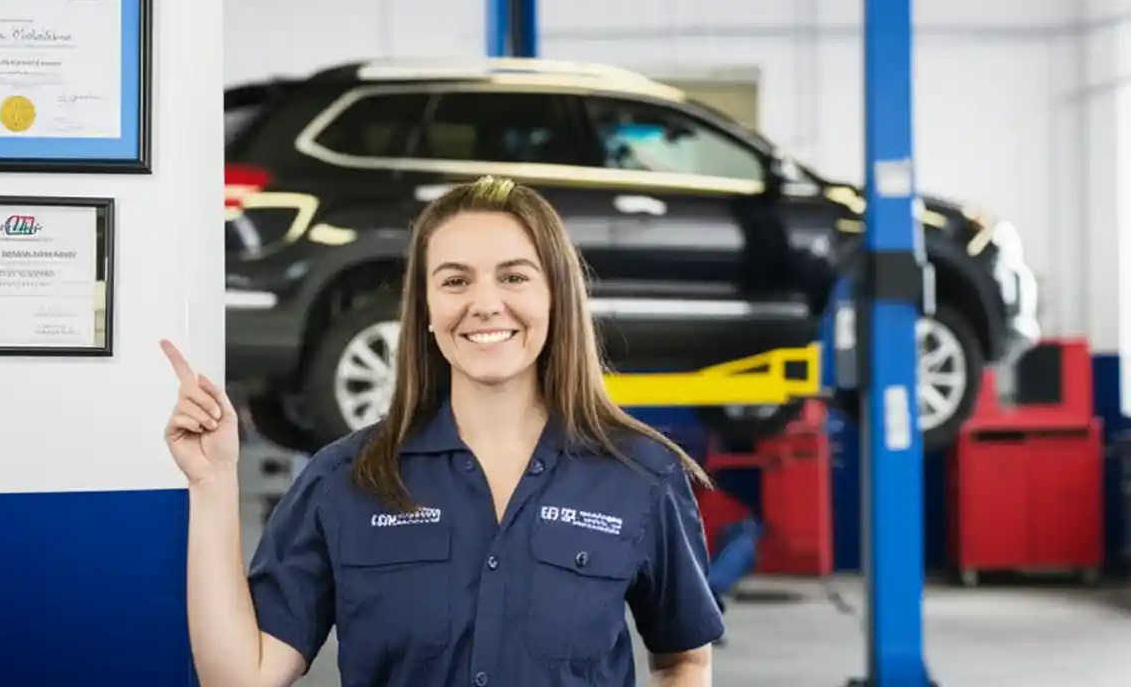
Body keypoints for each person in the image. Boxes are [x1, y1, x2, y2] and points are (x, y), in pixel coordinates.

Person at [160, 175, 725, 687]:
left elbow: (683, 660)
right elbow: (241, 679)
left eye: (514, 277)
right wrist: (212, 485)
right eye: (455, 281)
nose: (484, 304)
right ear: (426, 308)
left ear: (555, 296)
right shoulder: (345, 479)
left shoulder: (641, 476)